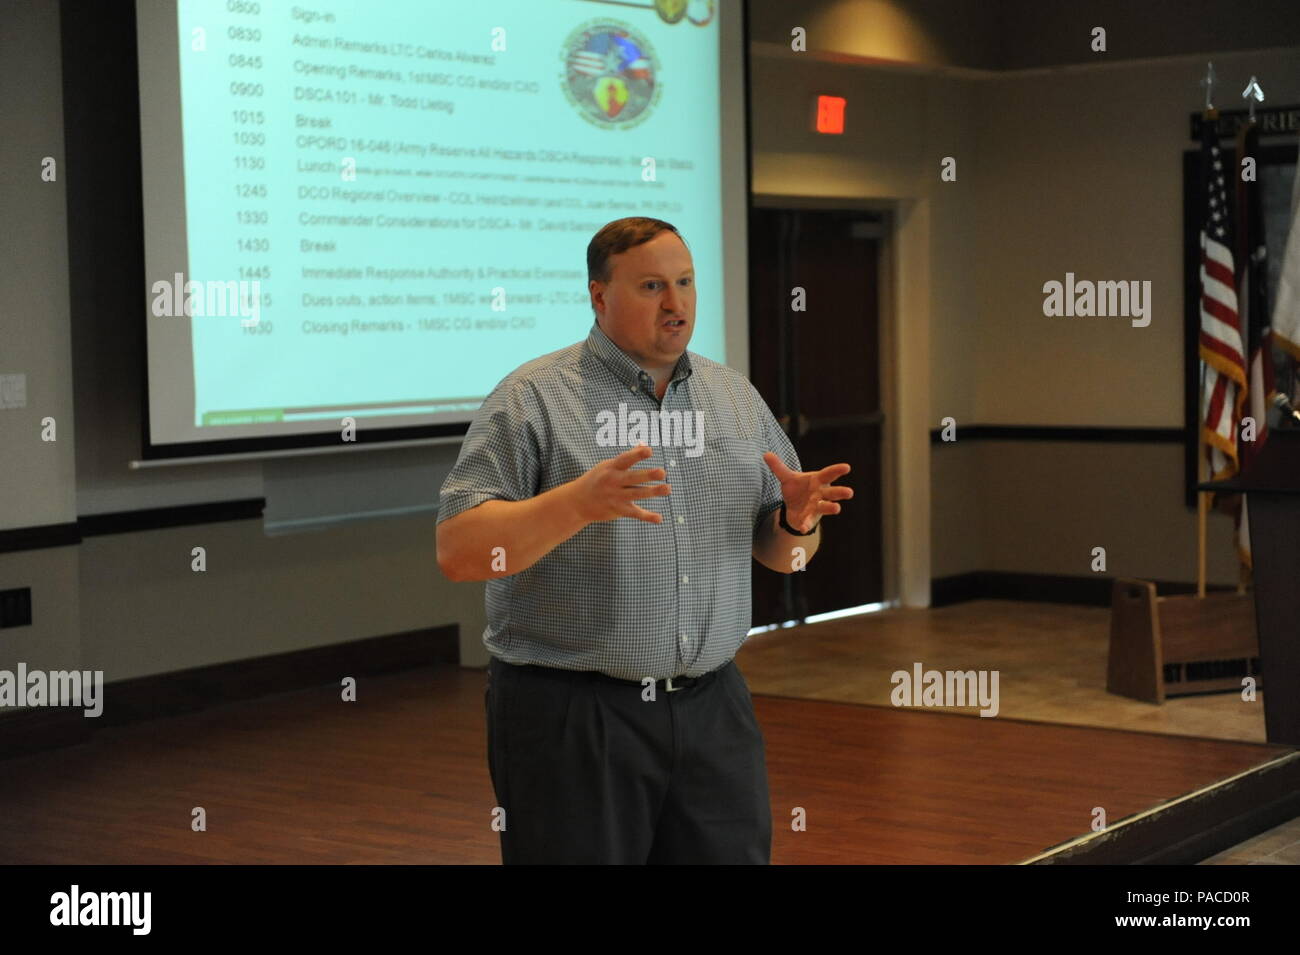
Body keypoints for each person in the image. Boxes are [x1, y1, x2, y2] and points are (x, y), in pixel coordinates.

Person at [436, 216, 851, 864]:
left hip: (712, 709)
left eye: (685, 282)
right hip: (574, 718)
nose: (676, 303)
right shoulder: (533, 399)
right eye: (652, 285)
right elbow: (459, 551)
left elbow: (783, 556)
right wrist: (575, 503)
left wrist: (797, 523)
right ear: (599, 297)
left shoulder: (733, 398)